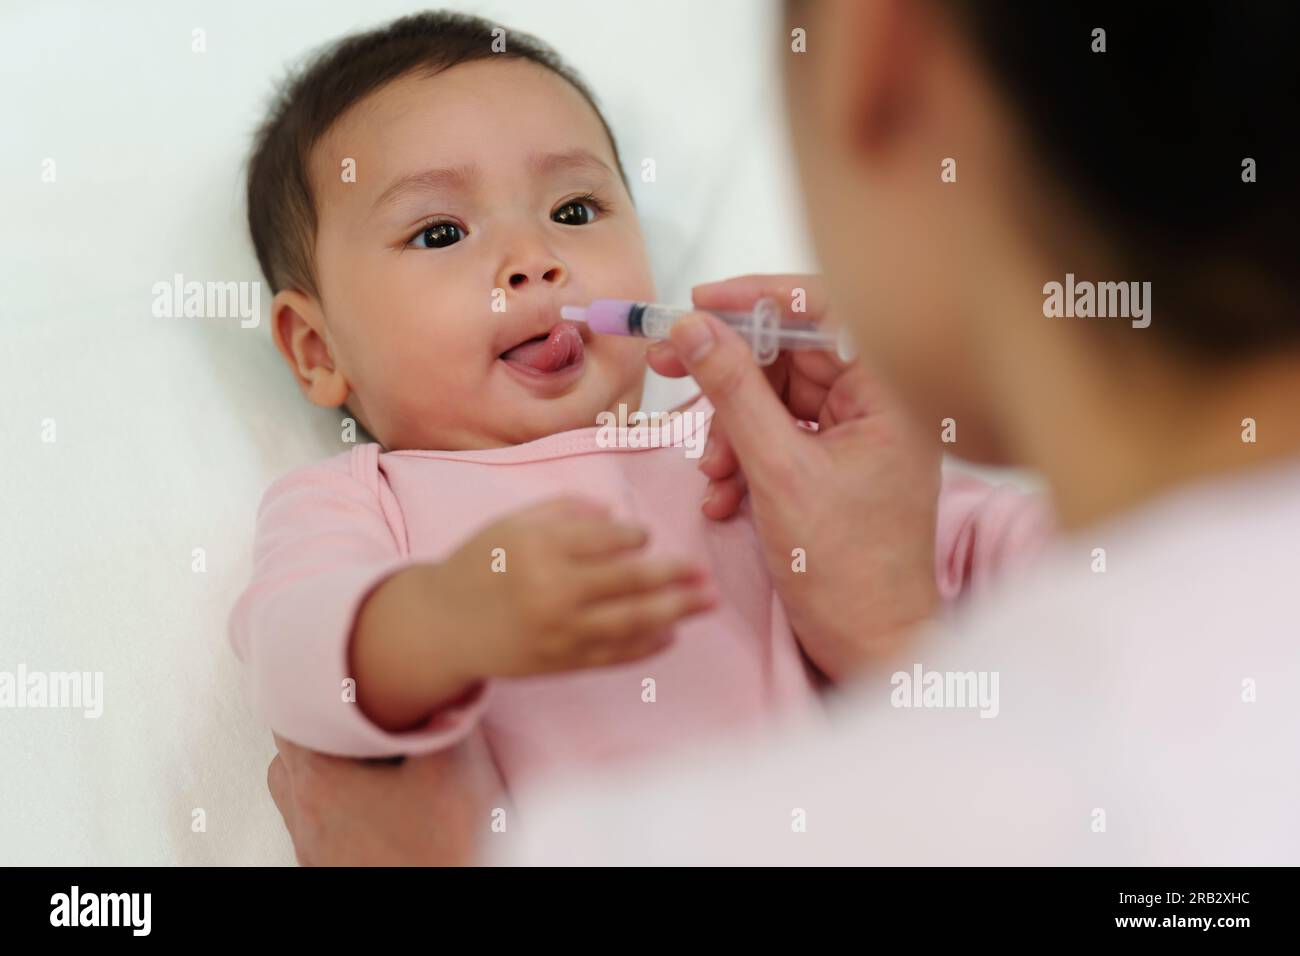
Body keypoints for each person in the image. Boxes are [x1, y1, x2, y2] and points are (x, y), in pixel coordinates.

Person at [267, 0, 1300, 864]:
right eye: (441, 232)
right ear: (316, 350)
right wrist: (444, 615)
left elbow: (1055, 567)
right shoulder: (366, 500)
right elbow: (294, 646)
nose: (535, 259)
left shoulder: (763, 444)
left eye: (577, 209)